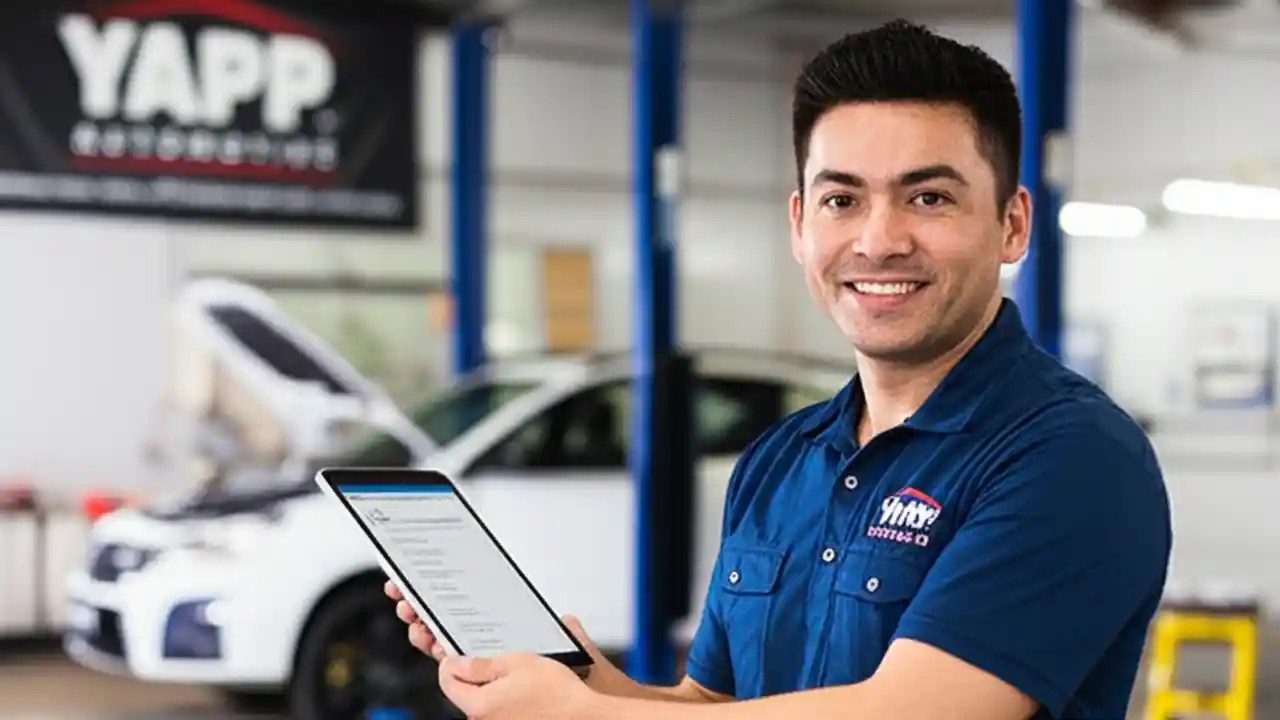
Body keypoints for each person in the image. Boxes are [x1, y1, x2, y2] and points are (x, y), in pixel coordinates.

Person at [386, 19, 1172, 720]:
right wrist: (585, 682)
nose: (879, 240)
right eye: (842, 201)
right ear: (800, 225)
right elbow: (715, 706)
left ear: (1012, 224)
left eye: (928, 198)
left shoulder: (1072, 456)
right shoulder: (779, 461)